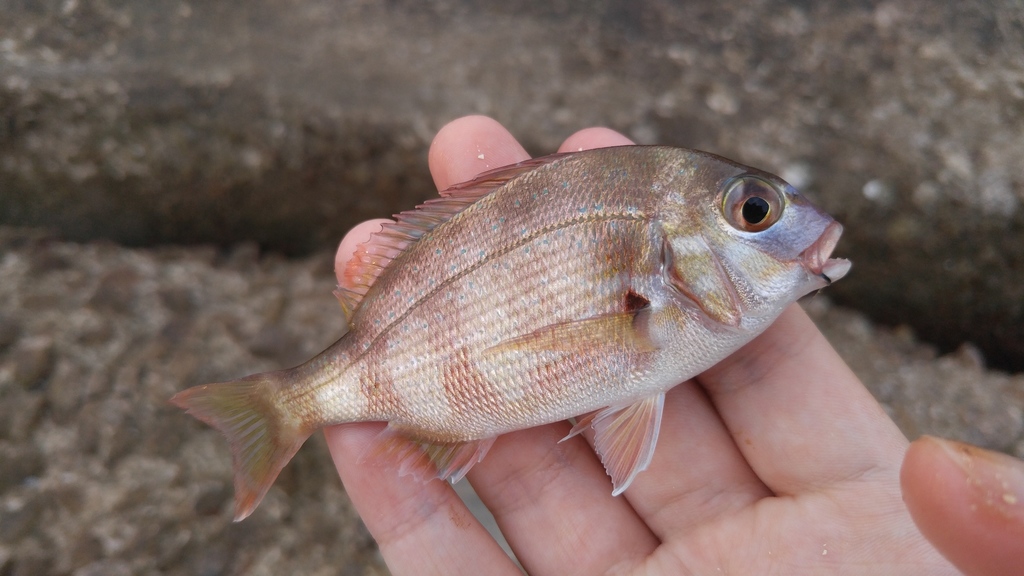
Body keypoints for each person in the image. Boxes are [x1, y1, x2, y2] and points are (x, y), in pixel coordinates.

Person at [323, 115, 1024, 575]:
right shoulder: (660, 307)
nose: (795, 230)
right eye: (755, 214)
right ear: (664, 259)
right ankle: (295, 403)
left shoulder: (682, 316)